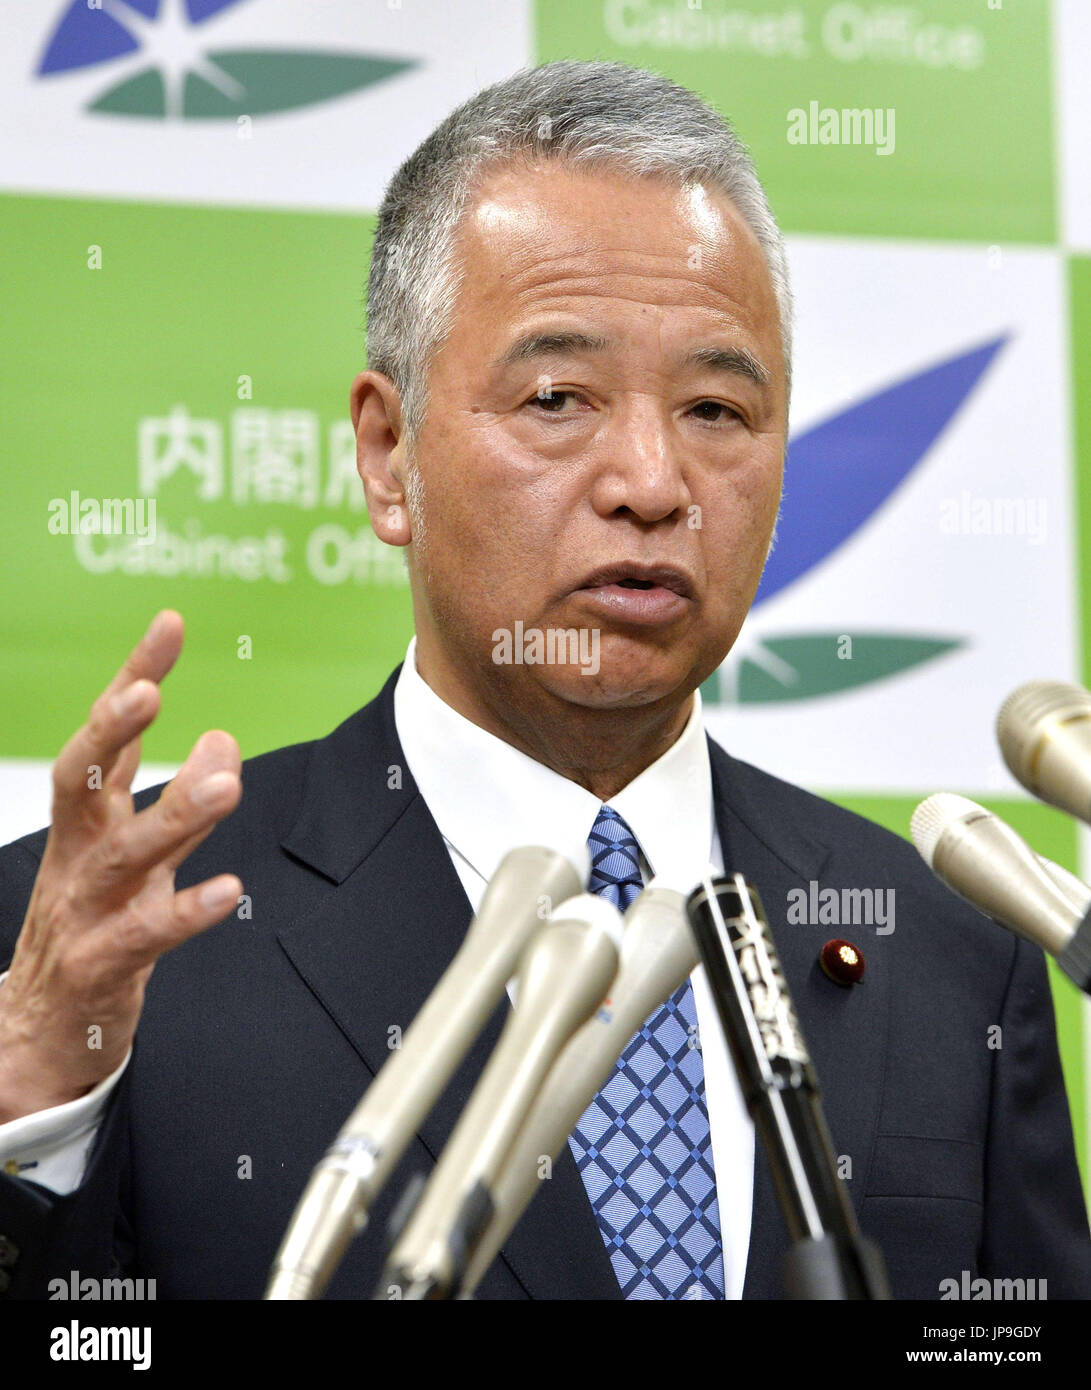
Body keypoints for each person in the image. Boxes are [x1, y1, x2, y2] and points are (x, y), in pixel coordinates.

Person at [0, 60, 1087, 1301]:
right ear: (387, 454)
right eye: (557, 396)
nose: (650, 479)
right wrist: (36, 1094)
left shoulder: (948, 955)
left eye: (718, 410)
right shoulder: (108, 952)